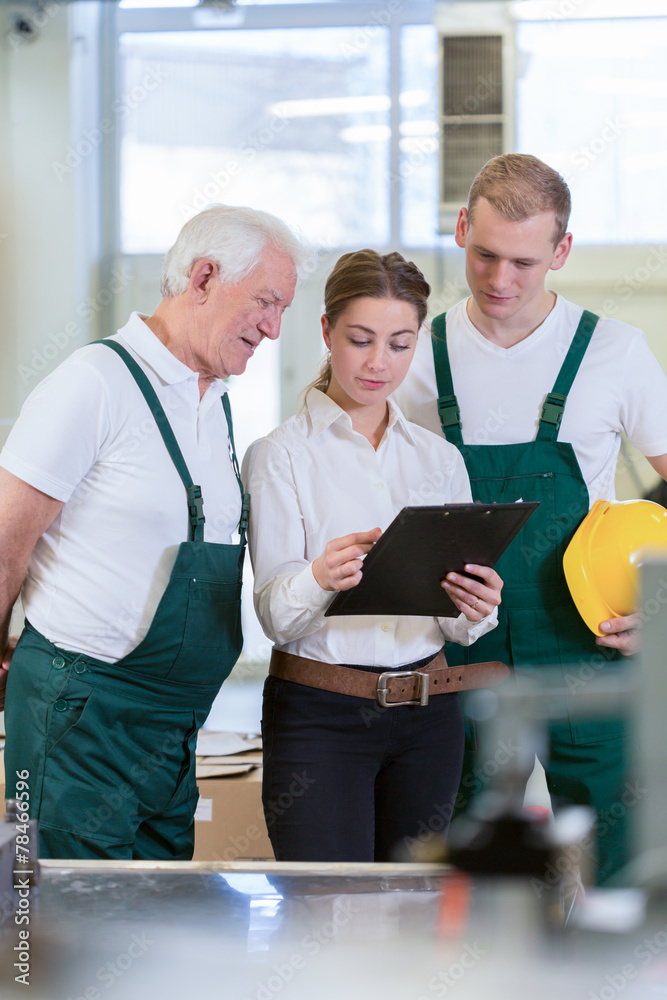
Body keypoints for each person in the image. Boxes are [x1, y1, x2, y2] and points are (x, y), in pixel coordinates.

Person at [0, 204, 307, 860]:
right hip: (81, 718)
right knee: (61, 912)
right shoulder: (92, 383)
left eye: (283, 309)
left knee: (156, 911)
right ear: (203, 278)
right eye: (265, 302)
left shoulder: (213, 404)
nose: (274, 328)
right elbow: (5, 543)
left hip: (173, 731)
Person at [392, 153, 667, 884]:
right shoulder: (414, 356)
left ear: (561, 250)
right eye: (485, 255)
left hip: (590, 646)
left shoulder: (613, 352)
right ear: (460, 228)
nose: (500, 280)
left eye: (524, 262)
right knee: (466, 860)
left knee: (620, 861)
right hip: (458, 647)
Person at [242, 249, 504, 863]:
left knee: (416, 905)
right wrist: (318, 577)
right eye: (360, 340)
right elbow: (276, 618)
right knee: (327, 905)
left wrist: (477, 606)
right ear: (327, 331)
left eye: (399, 344)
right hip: (319, 717)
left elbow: (457, 627)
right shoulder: (279, 456)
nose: (378, 362)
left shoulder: (440, 459)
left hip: (431, 719)